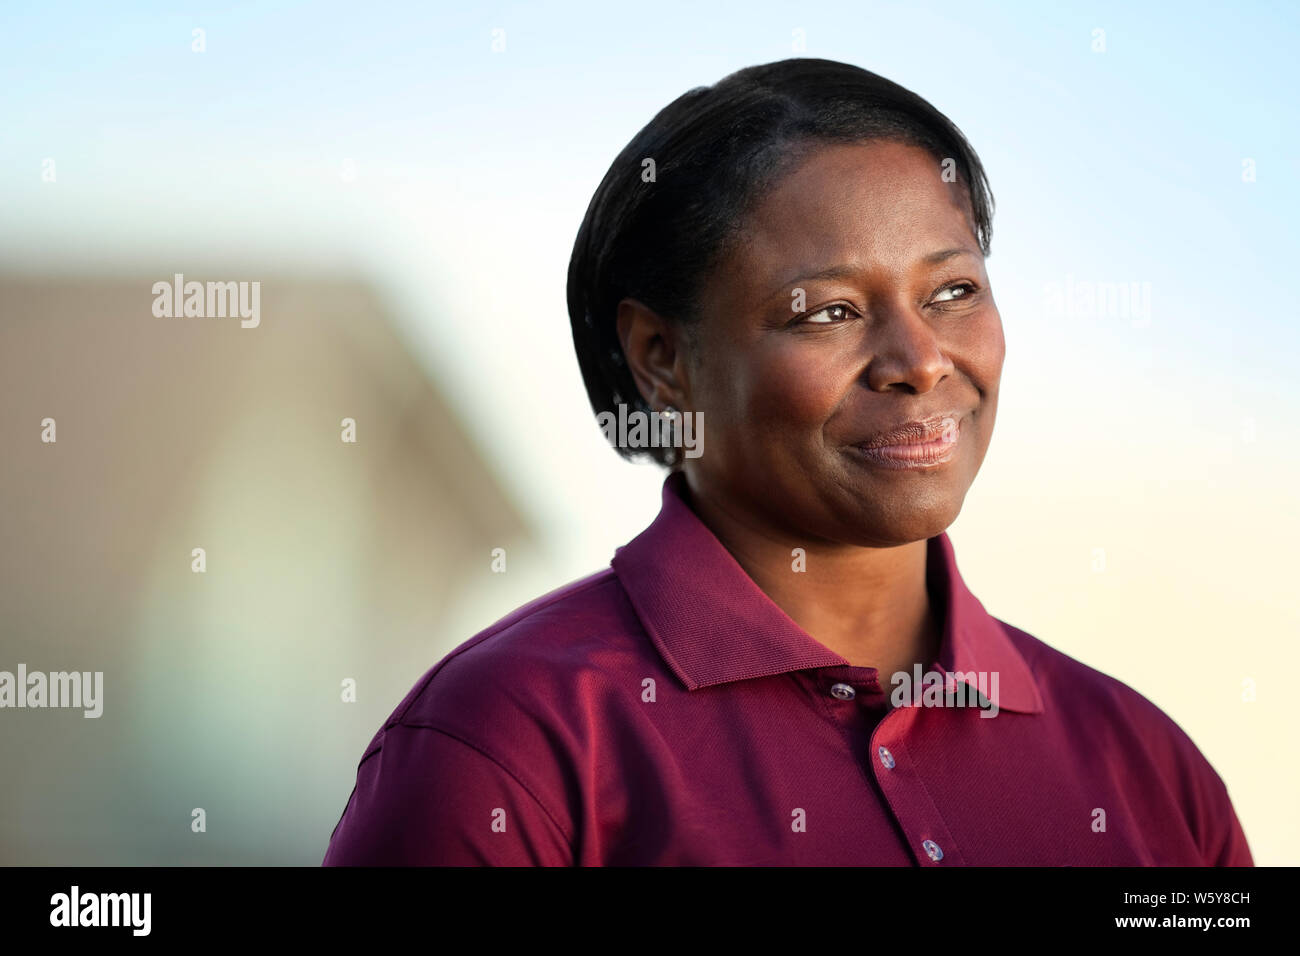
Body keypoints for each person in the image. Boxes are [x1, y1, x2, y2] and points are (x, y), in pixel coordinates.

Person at [322, 57, 1253, 866]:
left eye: (954, 291)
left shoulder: (1149, 773)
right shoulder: (509, 747)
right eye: (829, 312)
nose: (920, 359)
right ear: (661, 357)